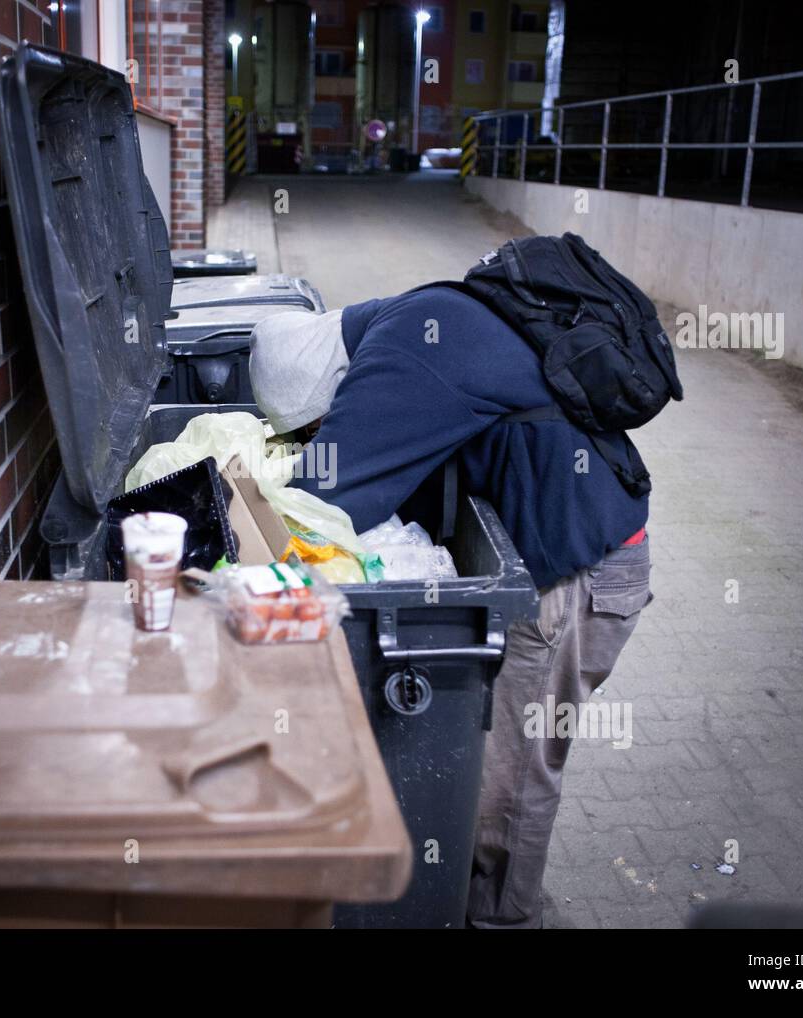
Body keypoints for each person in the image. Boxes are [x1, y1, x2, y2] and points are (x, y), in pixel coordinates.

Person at [249, 284, 654, 929]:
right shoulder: (418, 314)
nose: (318, 431)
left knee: (508, 786)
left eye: (314, 422)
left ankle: (503, 922)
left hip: (584, 578)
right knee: (495, 773)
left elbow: (324, 502)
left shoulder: (407, 349)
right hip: (572, 558)